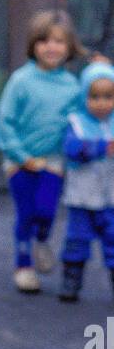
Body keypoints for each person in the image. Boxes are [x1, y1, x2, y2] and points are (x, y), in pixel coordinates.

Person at [0, 10, 82, 294]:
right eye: (44, 40)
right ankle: (24, 266)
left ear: (69, 46)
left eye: (59, 41)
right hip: (20, 160)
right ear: (33, 45)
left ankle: (41, 240)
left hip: (54, 161)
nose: (51, 47)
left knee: (46, 211)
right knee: (26, 212)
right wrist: (21, 157)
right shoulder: (21, 80)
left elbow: (82, 119)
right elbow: (5, 121)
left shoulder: (73, 86)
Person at [59, 58, 114, 302]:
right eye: (95, 97)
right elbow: (71, 149)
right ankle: (71, 279)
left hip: (111, 199)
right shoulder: (77, 123)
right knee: (77, 240)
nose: (101, 104)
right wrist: (100, 148)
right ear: (84, 96)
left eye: (108, 96)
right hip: (82, 198)